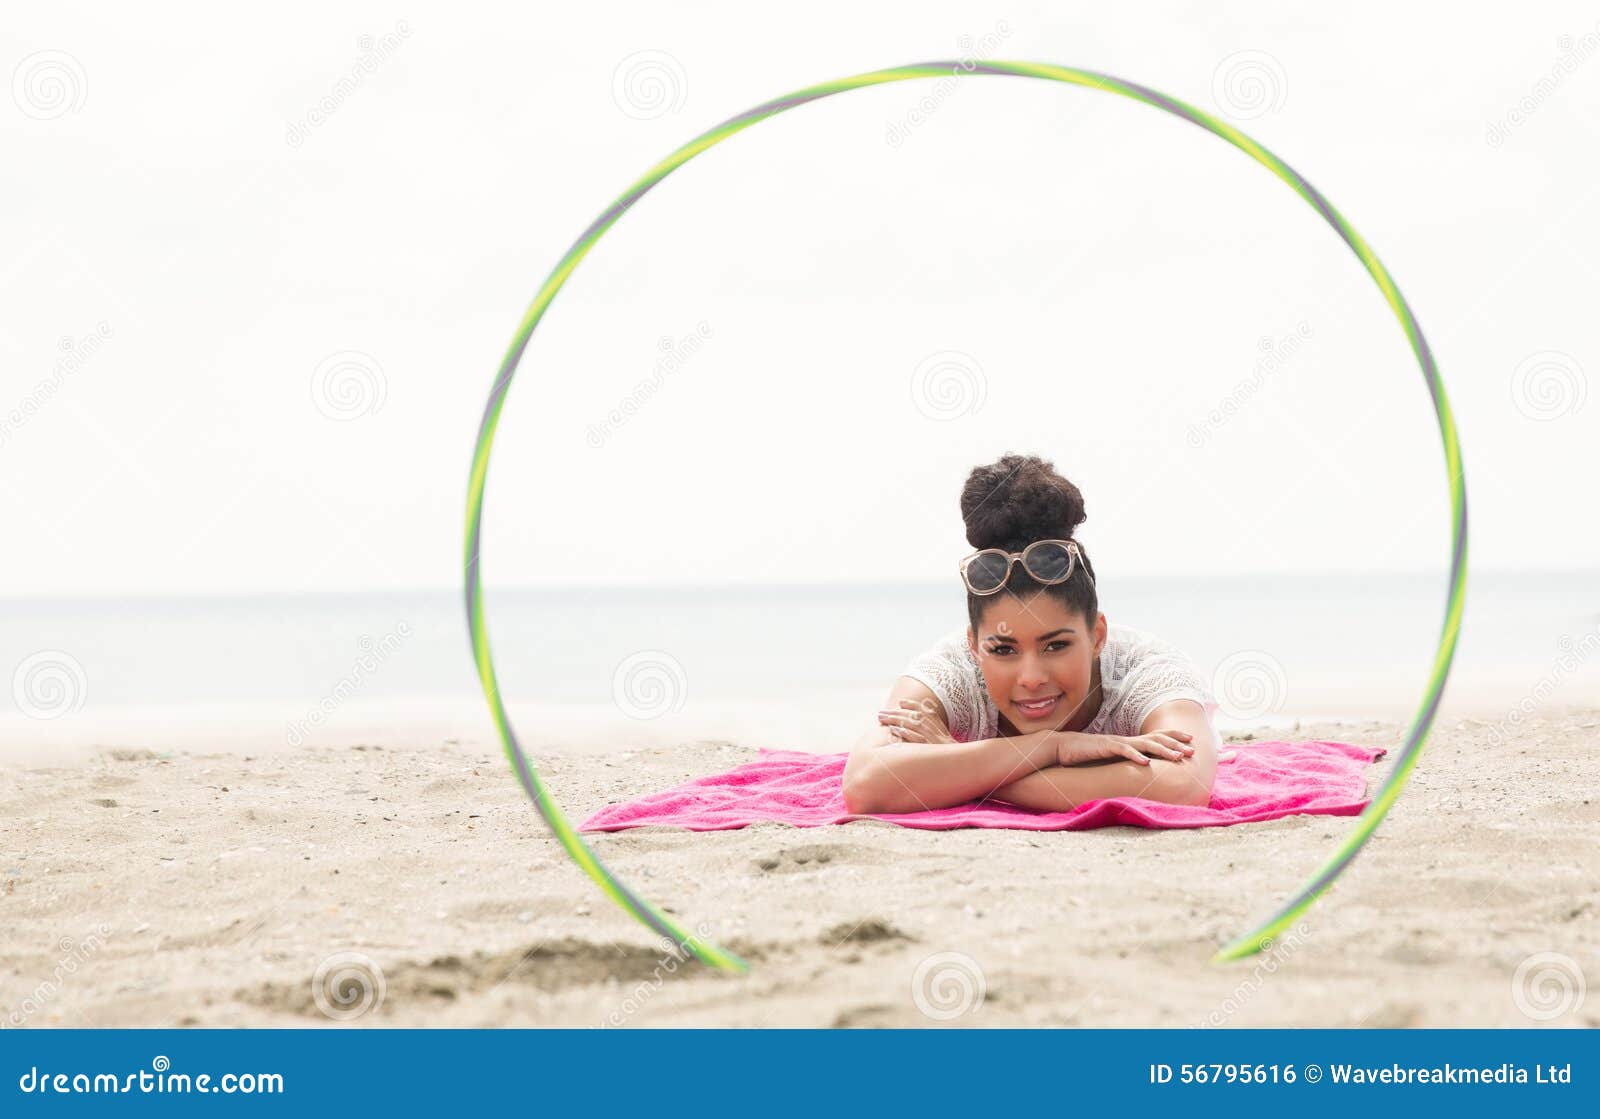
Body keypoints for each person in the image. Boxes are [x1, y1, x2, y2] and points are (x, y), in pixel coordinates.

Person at [841, 453, 1219, 815]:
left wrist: (961, 766)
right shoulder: (951, 671)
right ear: (973, 645)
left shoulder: (1145, 671)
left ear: (1097, 636)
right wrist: (1052, 747)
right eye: (1003, 650)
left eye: (1056, 645)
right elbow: (865, 784)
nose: (1032, 678)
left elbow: (1182, 786)